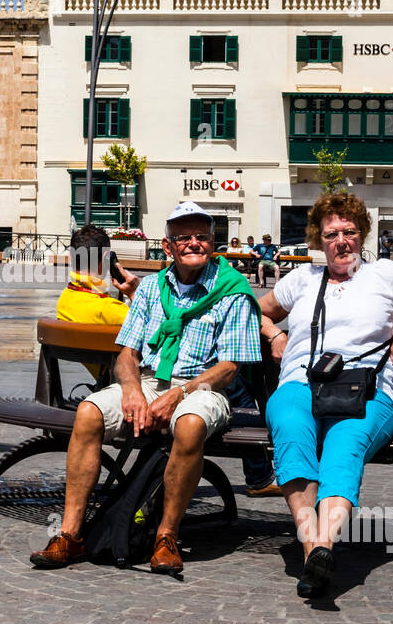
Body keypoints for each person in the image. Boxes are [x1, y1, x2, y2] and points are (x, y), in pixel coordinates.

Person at [30, 202, 263, 576]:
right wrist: (133, 390)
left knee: (188, 423)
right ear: (168, 247)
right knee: (88, 412)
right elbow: (126, 354)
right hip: (151, 382)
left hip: (202, 389)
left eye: (201, 237)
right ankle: (70, 534)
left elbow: (229, 368)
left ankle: (165, 537)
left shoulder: (233, 292)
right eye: (183, 237)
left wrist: (181, 394)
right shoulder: (152, 288)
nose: (193, 243)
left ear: (212, 243)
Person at [257, 191, 393, 597]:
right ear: (319, 238)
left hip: (367, 392)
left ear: (362, 234)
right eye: (331, 234)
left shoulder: (386, 275)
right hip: (299, 385)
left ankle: (318, 547)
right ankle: (316, 548)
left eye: (349, 231)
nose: (341, 241)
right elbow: (254, 310)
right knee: (292, 430)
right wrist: (274, 332)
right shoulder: (301, 280)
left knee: (344, 443)